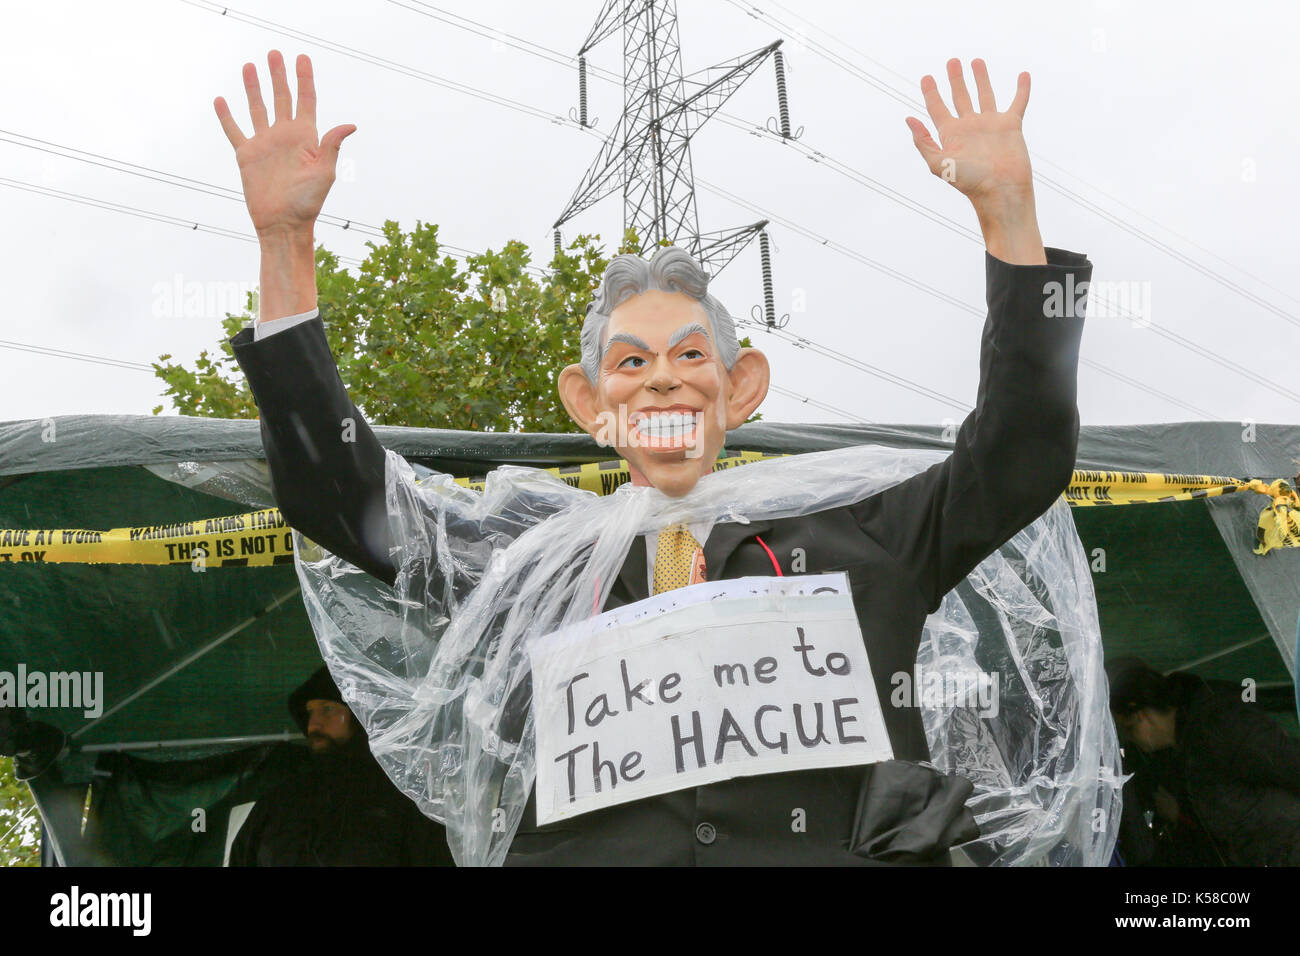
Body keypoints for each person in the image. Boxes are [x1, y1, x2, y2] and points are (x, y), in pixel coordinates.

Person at [215, 51, 1096, 865]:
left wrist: (1009, 215)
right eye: (630, 364)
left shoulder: (867, 537)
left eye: (689, 356)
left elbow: (1020, 452)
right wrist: (285, 246)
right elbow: (342, 494)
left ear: (741, 388)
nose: (662, 383)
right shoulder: (529, 570)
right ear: (590, 404)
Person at [228, 666, 455, 866]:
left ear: (359, 717)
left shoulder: (401, 797)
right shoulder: (280, 800)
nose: (313, 724)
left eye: (328, 709)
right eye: (310, 713)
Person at [1107, 656, 1300, 867]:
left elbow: (1289, 764)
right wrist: (1180, 814)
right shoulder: (1181, 750)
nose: (1131, 740)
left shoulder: (1220, 725)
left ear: (1142, 715)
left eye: (1128, 729)